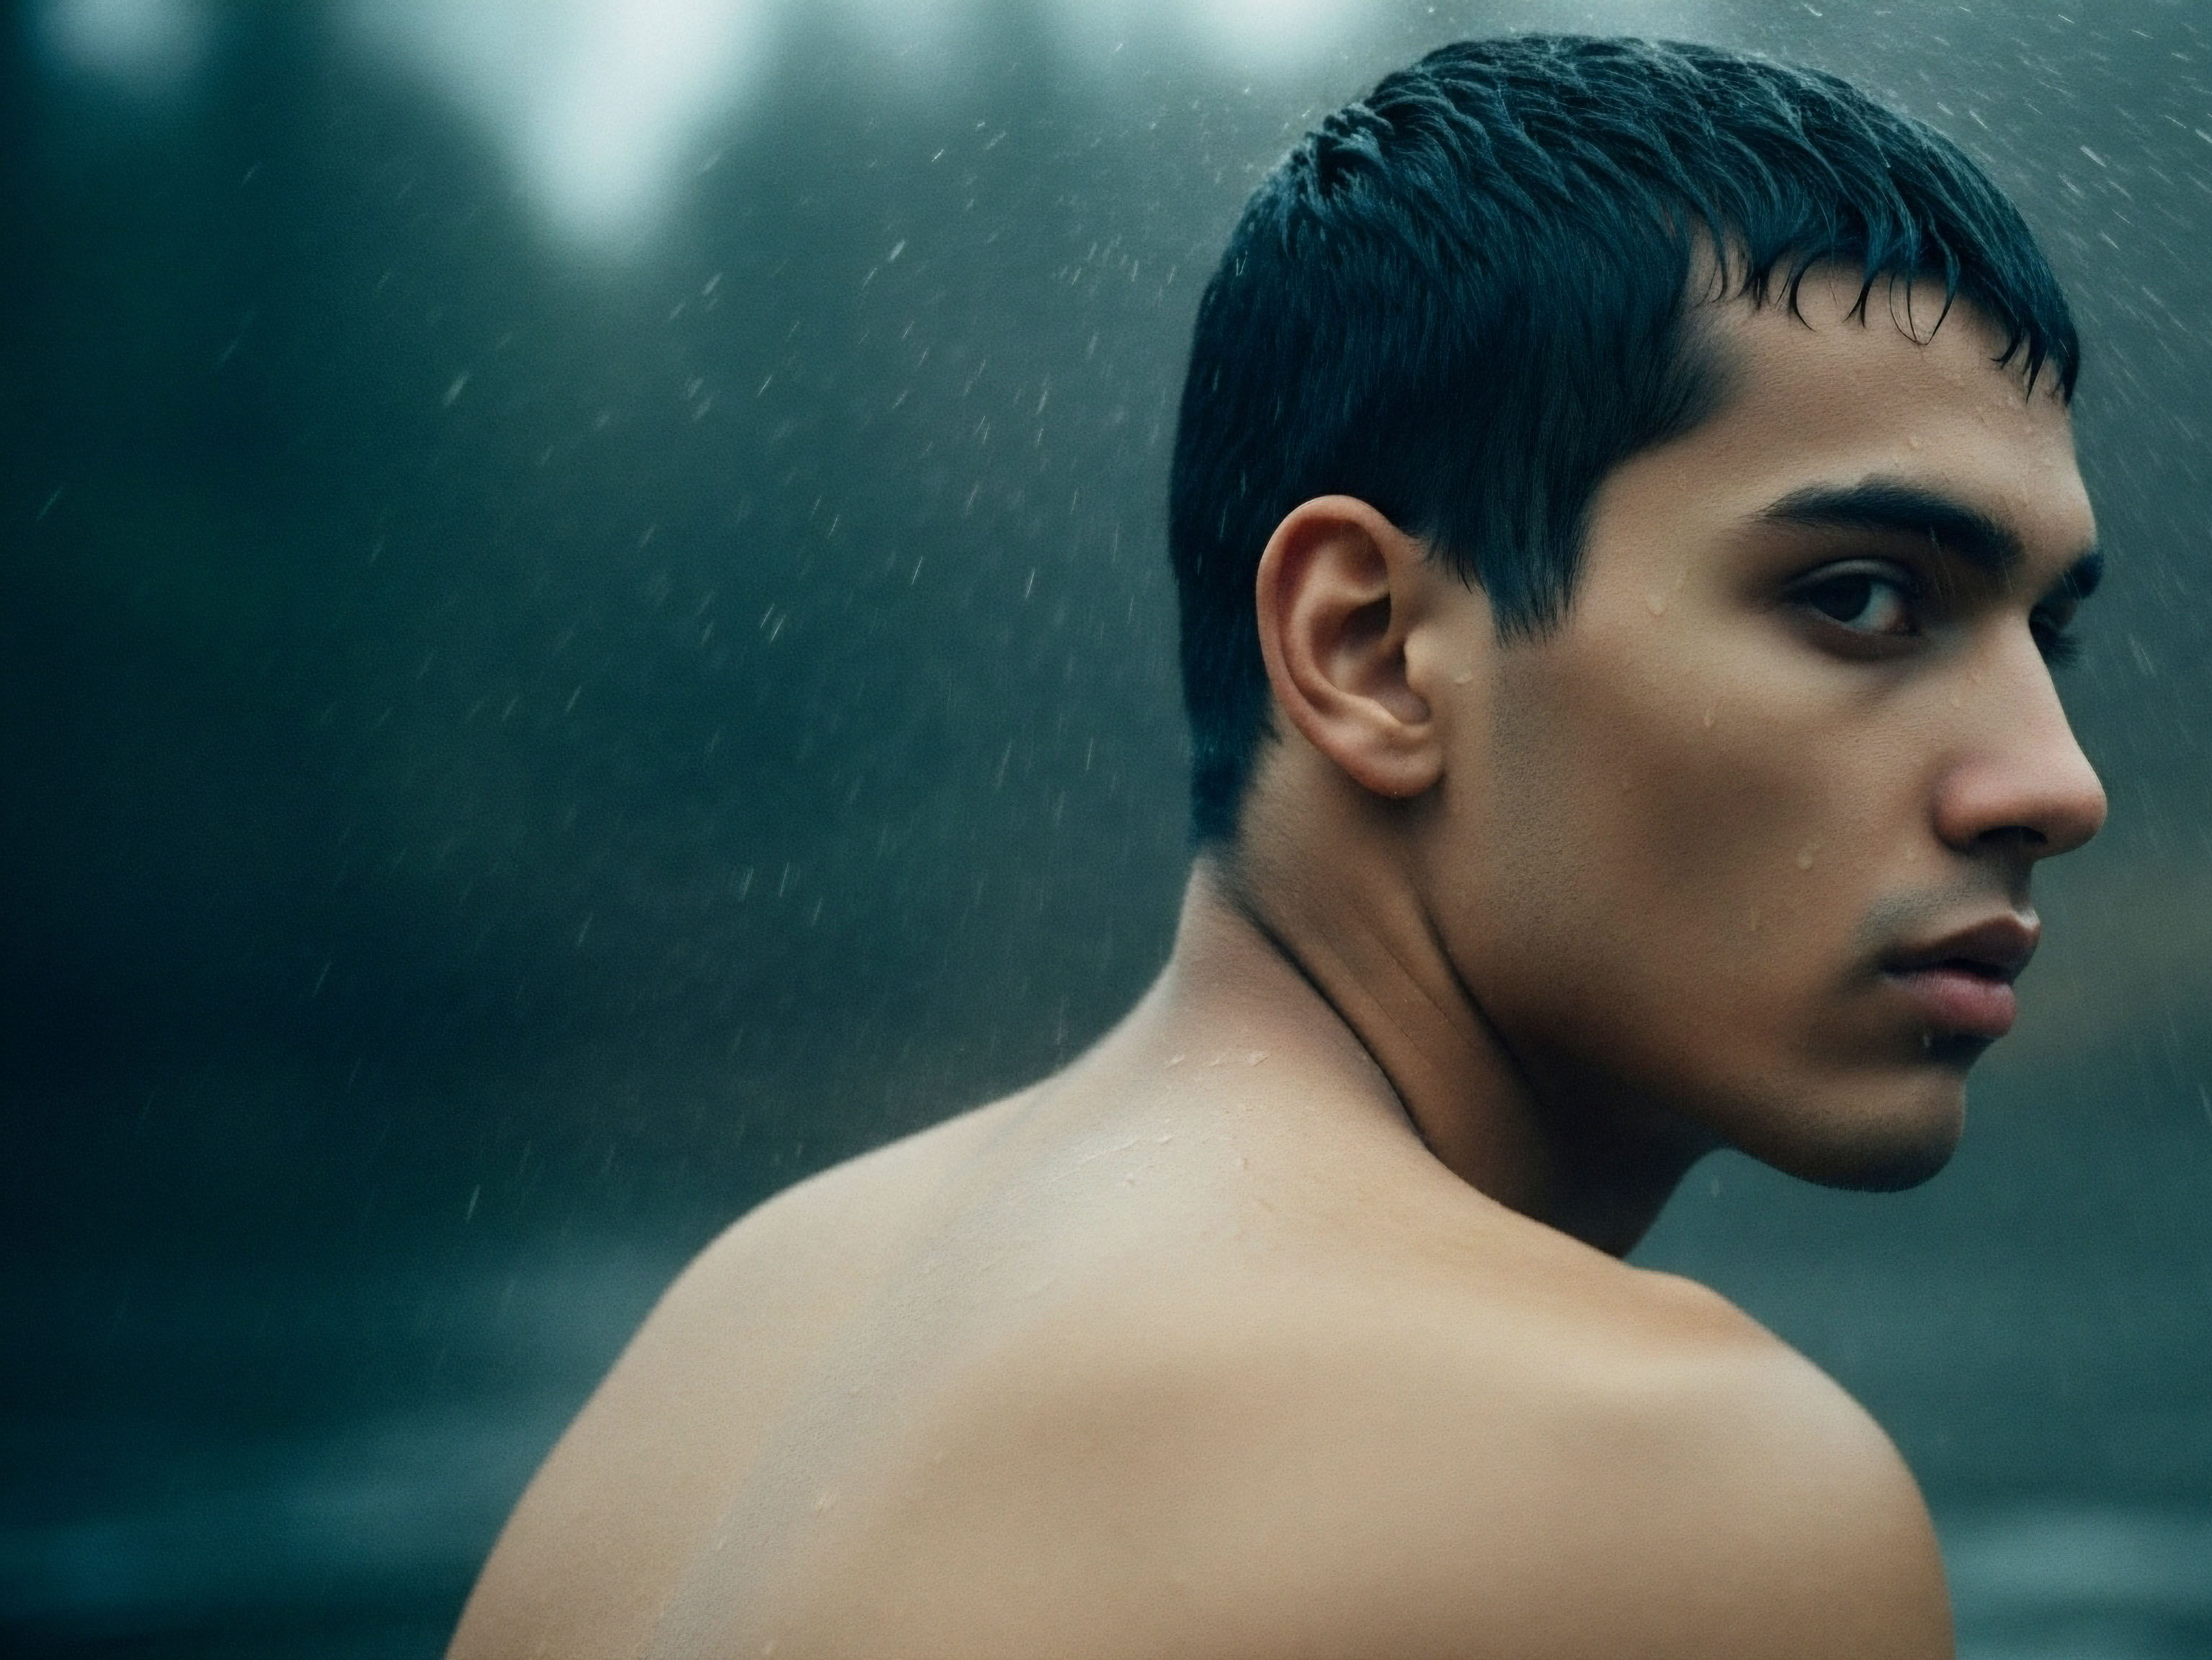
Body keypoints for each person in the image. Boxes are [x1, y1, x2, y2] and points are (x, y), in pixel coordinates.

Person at [450, 33, 2105, 1659]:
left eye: (2049, 636)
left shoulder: (740, 1334)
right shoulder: (1662, 1476)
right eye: (1863, 598)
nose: (2054, 783)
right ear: (1372, 650)